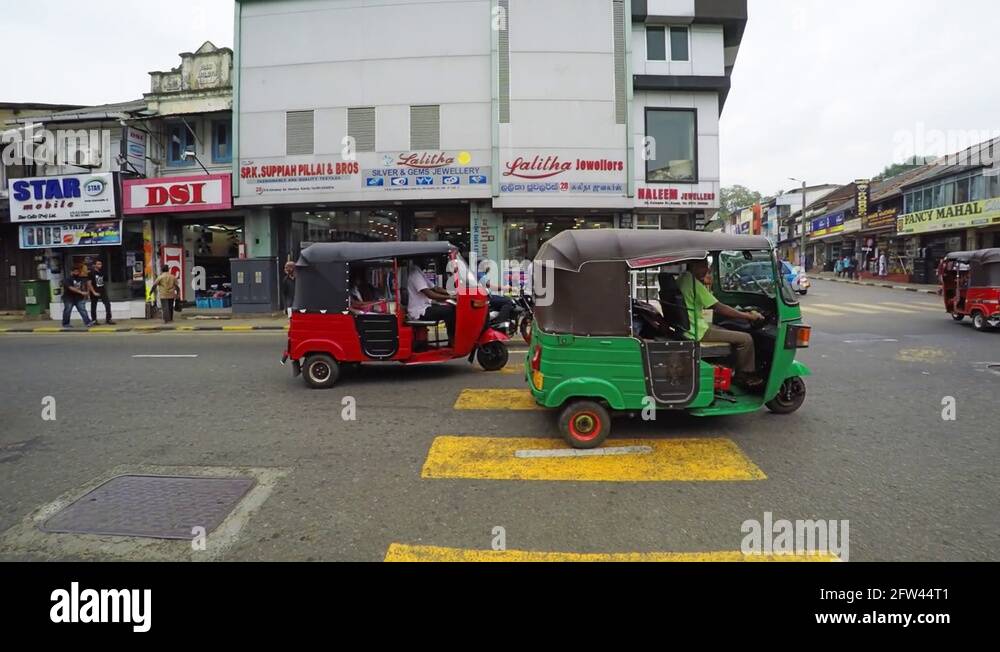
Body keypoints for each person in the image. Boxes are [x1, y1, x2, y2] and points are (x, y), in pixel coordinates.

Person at [677, 260, 765, 389]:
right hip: (698, 331)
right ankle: (745, 376)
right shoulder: (693, 284)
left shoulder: (683, 279)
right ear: (694, 266)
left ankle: (731, 371)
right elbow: (718, 307)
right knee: (746, 339)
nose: (707, 269)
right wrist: (748, 316)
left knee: (726, 329)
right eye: (704, 266)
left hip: (688, 328)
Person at [406, 260, 455, 344]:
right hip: (419, 311)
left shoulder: (420, 272)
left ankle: (452, 338)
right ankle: (453, 340)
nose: (428, 262)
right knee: (451, 311)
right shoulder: (415, 274)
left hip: (426, 307)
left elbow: (436, 288)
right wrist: (451, 297)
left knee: (451, 307)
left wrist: (453, 292)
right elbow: (430, 294)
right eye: (427, 260)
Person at [86, 259, 115, 325]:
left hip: (102, 290)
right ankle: (94, 320)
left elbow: (103, 281)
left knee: (107, 304)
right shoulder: (91, 273)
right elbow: (89, 283)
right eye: (98, 264)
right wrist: (93, 292)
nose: (100, 265)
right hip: (94, 291)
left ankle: (108, 319)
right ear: (94, 265)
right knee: (93, 306)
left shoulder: (101, 272)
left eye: (101, 264)